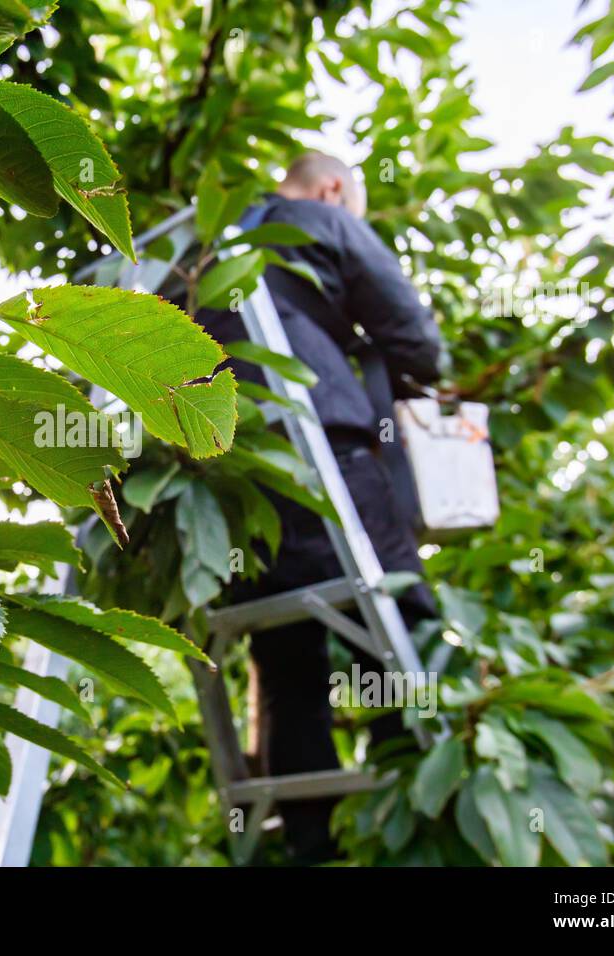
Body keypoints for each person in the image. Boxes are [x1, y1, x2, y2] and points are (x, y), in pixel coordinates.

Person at [197, 151, 445, 864]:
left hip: (224, 485)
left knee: (286, 663)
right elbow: (418, 343)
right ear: (334, 188)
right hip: (322, 460)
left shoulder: (197, 247)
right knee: (401, 621)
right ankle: (417, 808)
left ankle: (313, 847)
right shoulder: (324, 223)